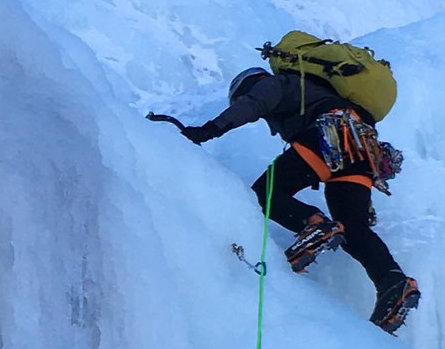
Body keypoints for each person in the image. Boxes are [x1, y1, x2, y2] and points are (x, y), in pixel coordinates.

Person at [150, 64, 421, 333]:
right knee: (353, 228)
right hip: (362, 150)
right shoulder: (317, 91)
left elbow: (253, 104)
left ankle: (314, 225)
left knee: (265, 194)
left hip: (329, 135)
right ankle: (392, 283)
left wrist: (207, 130)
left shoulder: (277, 83)